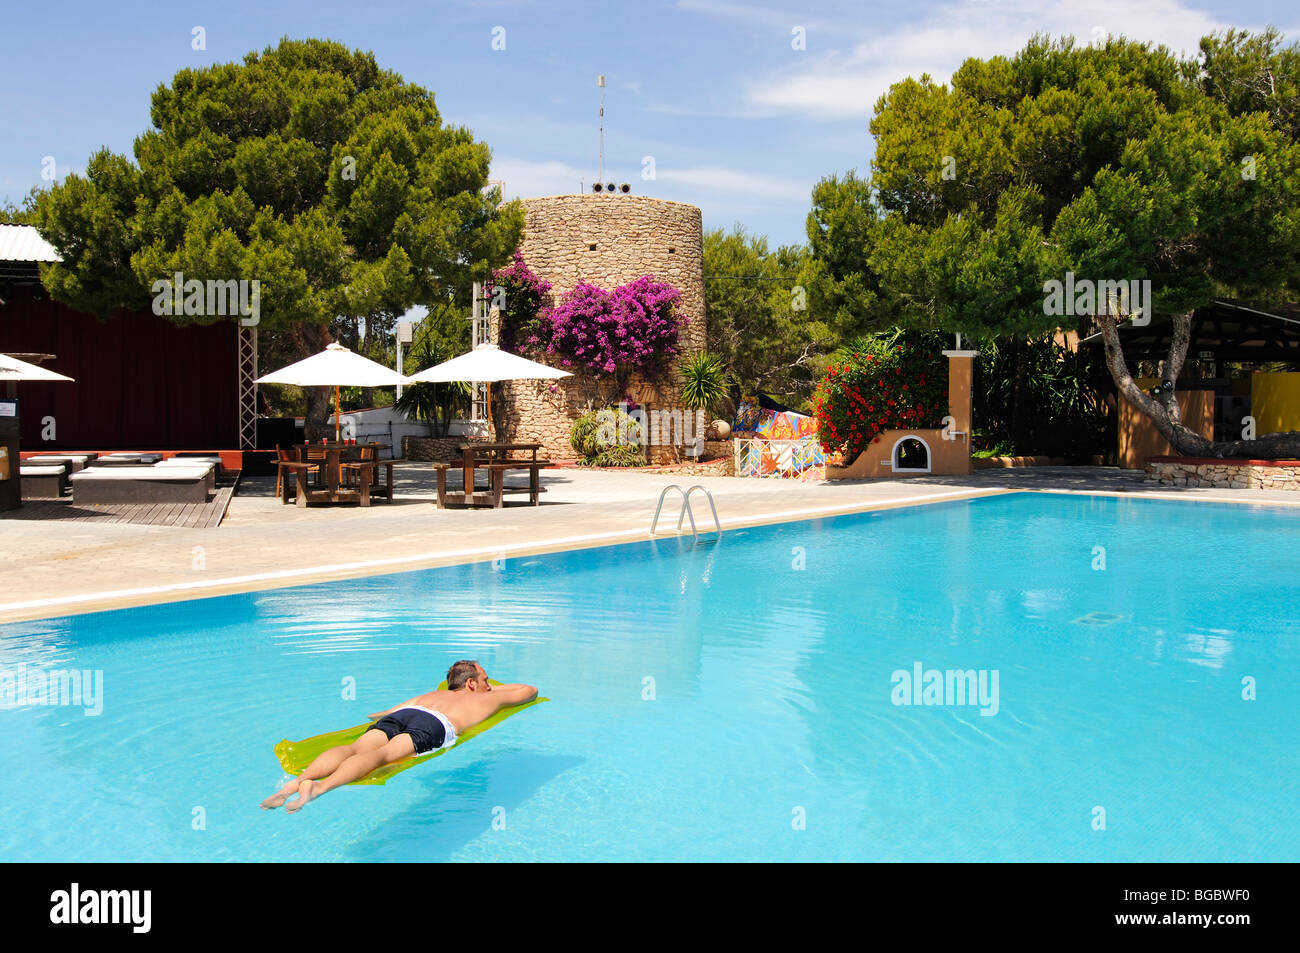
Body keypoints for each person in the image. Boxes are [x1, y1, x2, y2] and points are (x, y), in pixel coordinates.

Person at [261, 660, 537, 813]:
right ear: (470, 683)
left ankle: (294, 785)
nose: (490, 685)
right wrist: (490, 691)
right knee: (380, 756)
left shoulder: (432, 694)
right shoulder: (487, 700)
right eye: (486, 679)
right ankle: (319, 788)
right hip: (436, 725)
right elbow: (529, 690)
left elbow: (383, 713)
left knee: (354, 747)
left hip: (409, 711)